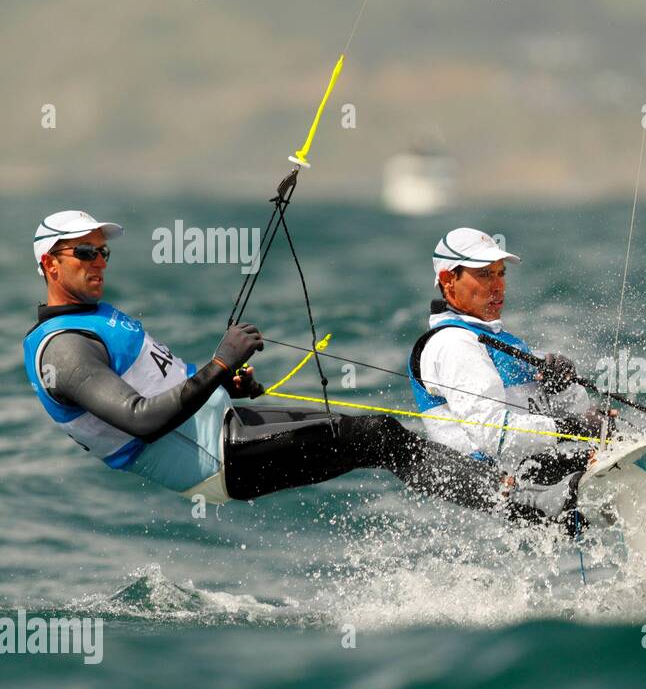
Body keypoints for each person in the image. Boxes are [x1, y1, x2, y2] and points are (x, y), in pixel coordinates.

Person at [21, 210, 575, 520]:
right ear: (50, 263)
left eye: (103, 252)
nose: (99, 263)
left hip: (221, 431)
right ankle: (521, 506)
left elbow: (160, 382)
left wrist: (227, 383)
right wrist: (218, 363)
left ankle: (519, 488)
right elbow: (140, 419)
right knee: (376, 436)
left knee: (379, 436)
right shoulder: (63, 350)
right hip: (212, 461)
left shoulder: (92, 318)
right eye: (85, 253)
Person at [408, 228, 615, 507]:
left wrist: (564, 389)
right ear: (448, 279)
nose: (498, 286)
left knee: (616, 440)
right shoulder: (452, 344)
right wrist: (574, 427)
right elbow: (495, 436)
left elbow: (571, 409)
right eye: (484, 275)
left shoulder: (496, 339)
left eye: (500, 273)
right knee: (613, 455)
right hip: (510, 492)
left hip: (542, 470)